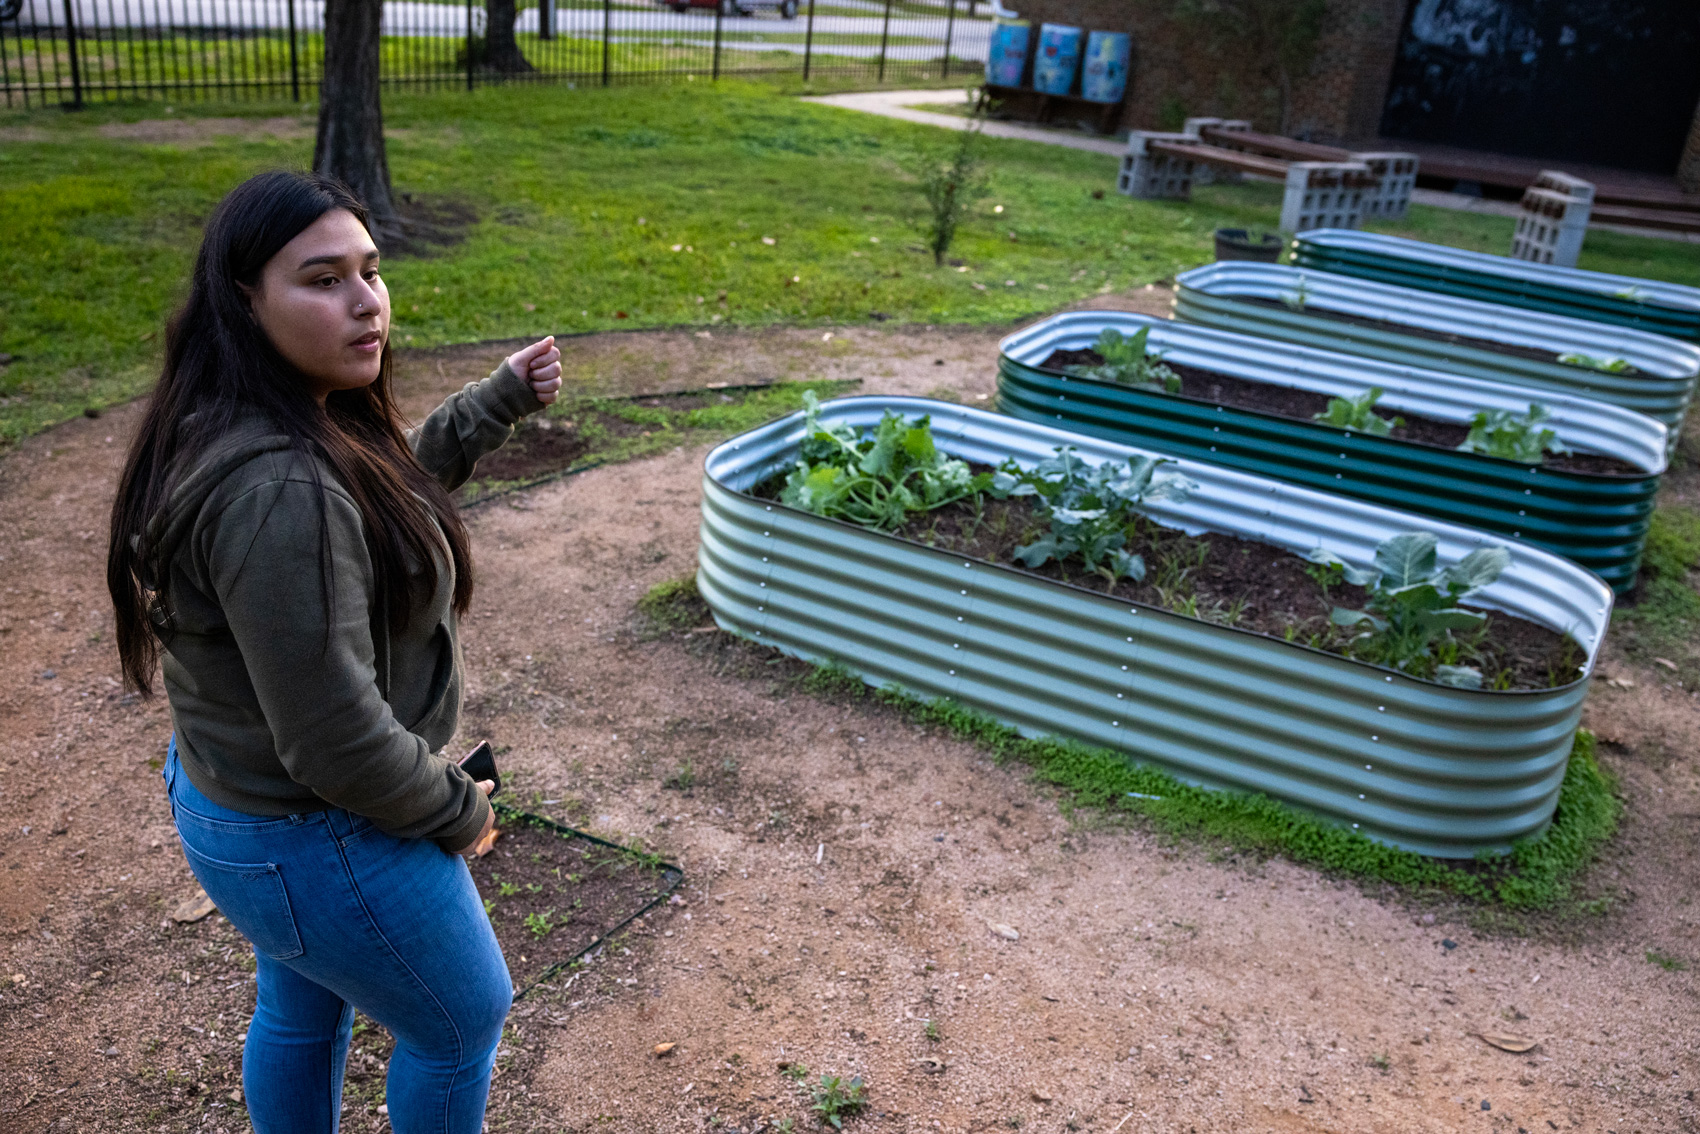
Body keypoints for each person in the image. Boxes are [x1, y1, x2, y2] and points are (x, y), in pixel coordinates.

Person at [106, 170, 562, 1134]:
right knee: (461, 1022)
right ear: (245, 302)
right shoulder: (280, 489)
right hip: (316, 830)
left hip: (239, 807)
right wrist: (460, 811)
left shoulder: (251, 415)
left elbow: (376, 502)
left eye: (371, 270)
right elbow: (335, 740)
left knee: (302, 1009)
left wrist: (490, 407)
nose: (366, 303)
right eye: (323, 280)